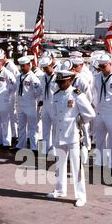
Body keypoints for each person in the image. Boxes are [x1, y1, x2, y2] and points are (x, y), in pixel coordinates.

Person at [47, 70, 95, 207]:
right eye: (59, 82)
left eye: (63, 82)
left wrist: (80, 120)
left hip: (73, 135)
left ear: (69, 80)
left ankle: (81, 196)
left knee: (77, 167)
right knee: (59, 164)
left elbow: (90, 113)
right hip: (59, 134)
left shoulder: (77, 94)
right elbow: (56, 115)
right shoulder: (56, 95)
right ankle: (59, 189)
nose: (60, 84)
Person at [0, 49, 17, 147]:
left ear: (1, 61)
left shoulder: (7, 73)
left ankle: (6, 142)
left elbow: (14, 86)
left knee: (5, 122)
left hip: (4, 101)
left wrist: (7, 94)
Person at [15, 56, 42, 152]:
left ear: (29, 65)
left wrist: (33, 98)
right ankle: (21, 144)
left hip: (30, 105)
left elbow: (39, 90)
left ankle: (34, 147)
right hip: (20, 104)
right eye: (21, 66)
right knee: (21, 126)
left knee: (32, 127)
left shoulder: (33, 77)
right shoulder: (18, 76)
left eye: (24, 66)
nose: (22, 68)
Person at [38, 55, 58, 154]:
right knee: (45, 129)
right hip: (45, 105)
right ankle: (45, 150)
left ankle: (54, 150)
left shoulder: (58, 77)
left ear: (52, 65)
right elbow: (42, 90)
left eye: (47, 67)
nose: (45, 70)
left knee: (55, 129)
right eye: (44, 68)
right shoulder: (43, 77)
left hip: (54, 106)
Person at [3, 52, 20, 141]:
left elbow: (17, 79)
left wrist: (12, 90)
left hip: (11, 93)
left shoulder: (11, 66)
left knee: (11, 113)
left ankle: (14, 134)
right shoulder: (4, 65)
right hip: (5, 93)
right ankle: (10, 132)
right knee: (7, 114)